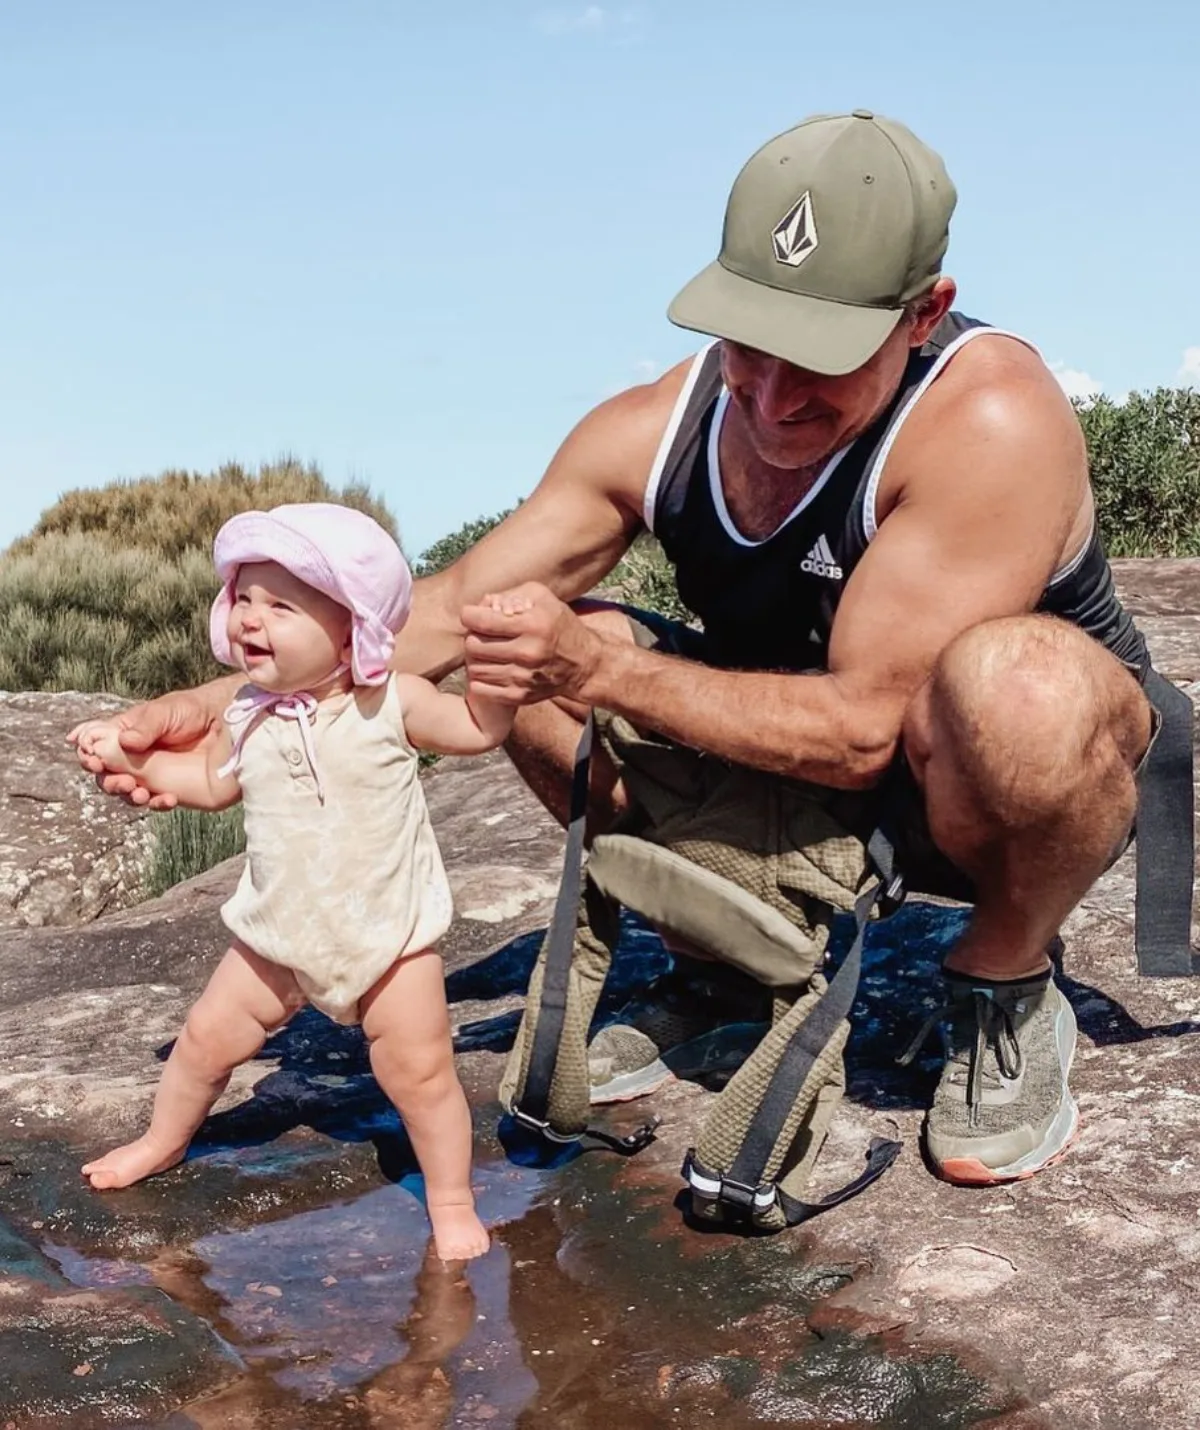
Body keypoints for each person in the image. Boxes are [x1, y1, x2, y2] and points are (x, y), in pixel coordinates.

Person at [75, 110, 1168, 1189]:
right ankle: (718, 964)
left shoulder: (988, 417)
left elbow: (866, 729)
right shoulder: (654, 427)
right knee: (528, 639)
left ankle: (1006, 973)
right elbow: (454, 607)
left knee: (1016, 687)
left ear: (922, 313)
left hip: (981, 785)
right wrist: (221, 702)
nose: (776, 398)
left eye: (822, 359)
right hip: (785, 760)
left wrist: (603, 672)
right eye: (751, 345)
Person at [70, 502, 531, 1261]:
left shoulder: (392, 701)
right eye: (243, 598)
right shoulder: (250, 713)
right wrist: (131, 759)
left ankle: (451, 1200)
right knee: (203, 1044)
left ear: (353, 629)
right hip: (279, 933)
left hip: (391, 935)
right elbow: (211, 784)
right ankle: (162, 1140)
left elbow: (479, 728)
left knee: (421, 1074)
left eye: (281, 604)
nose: (252, 618)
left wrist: (503, 677)